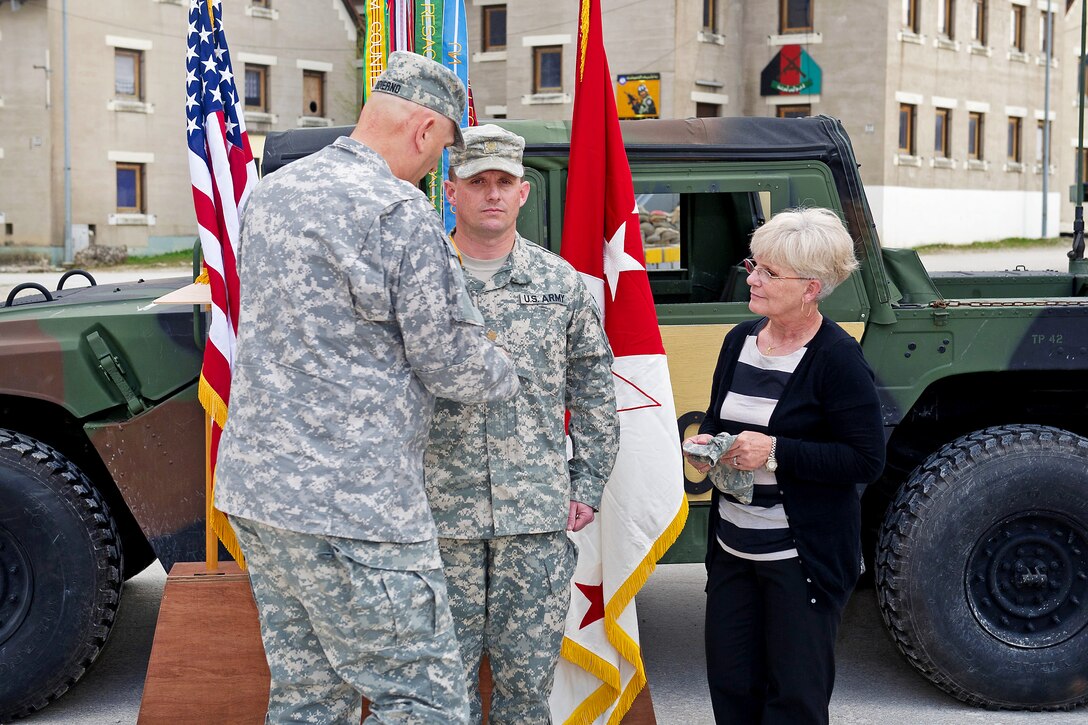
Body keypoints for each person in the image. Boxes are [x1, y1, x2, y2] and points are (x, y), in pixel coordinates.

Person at [213, 53, 520, 724]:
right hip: (357, 508)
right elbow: (449, 360)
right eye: (442, 146)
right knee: (425, 698)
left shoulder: (271, 194)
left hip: (260, 492)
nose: (438, 164)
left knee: (308, 694)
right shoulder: (396, 209)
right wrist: (510, 369)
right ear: (422, 129)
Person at [423, 124, 619, 725]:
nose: (491, 194)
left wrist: (587, 482)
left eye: (503, 182)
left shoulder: (559, 283)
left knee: (525, 690)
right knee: (435, 690)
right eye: (476, 181)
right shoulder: (417, 275)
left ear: (524, 193)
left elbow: (593, 384)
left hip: (532, 516)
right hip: (434, 514)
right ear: (449, 190)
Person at [682, 207, 885, 725]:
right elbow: (721, 416)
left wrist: (775, 452)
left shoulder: (837, 358)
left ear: (811, 288)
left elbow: (866, 458)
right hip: (732, 552)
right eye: (755, 265)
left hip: (801, 563)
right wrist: (710, 446)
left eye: (769, 273)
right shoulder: (740, 340)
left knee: (794, 701)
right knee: (732, 690)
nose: (751, 278)